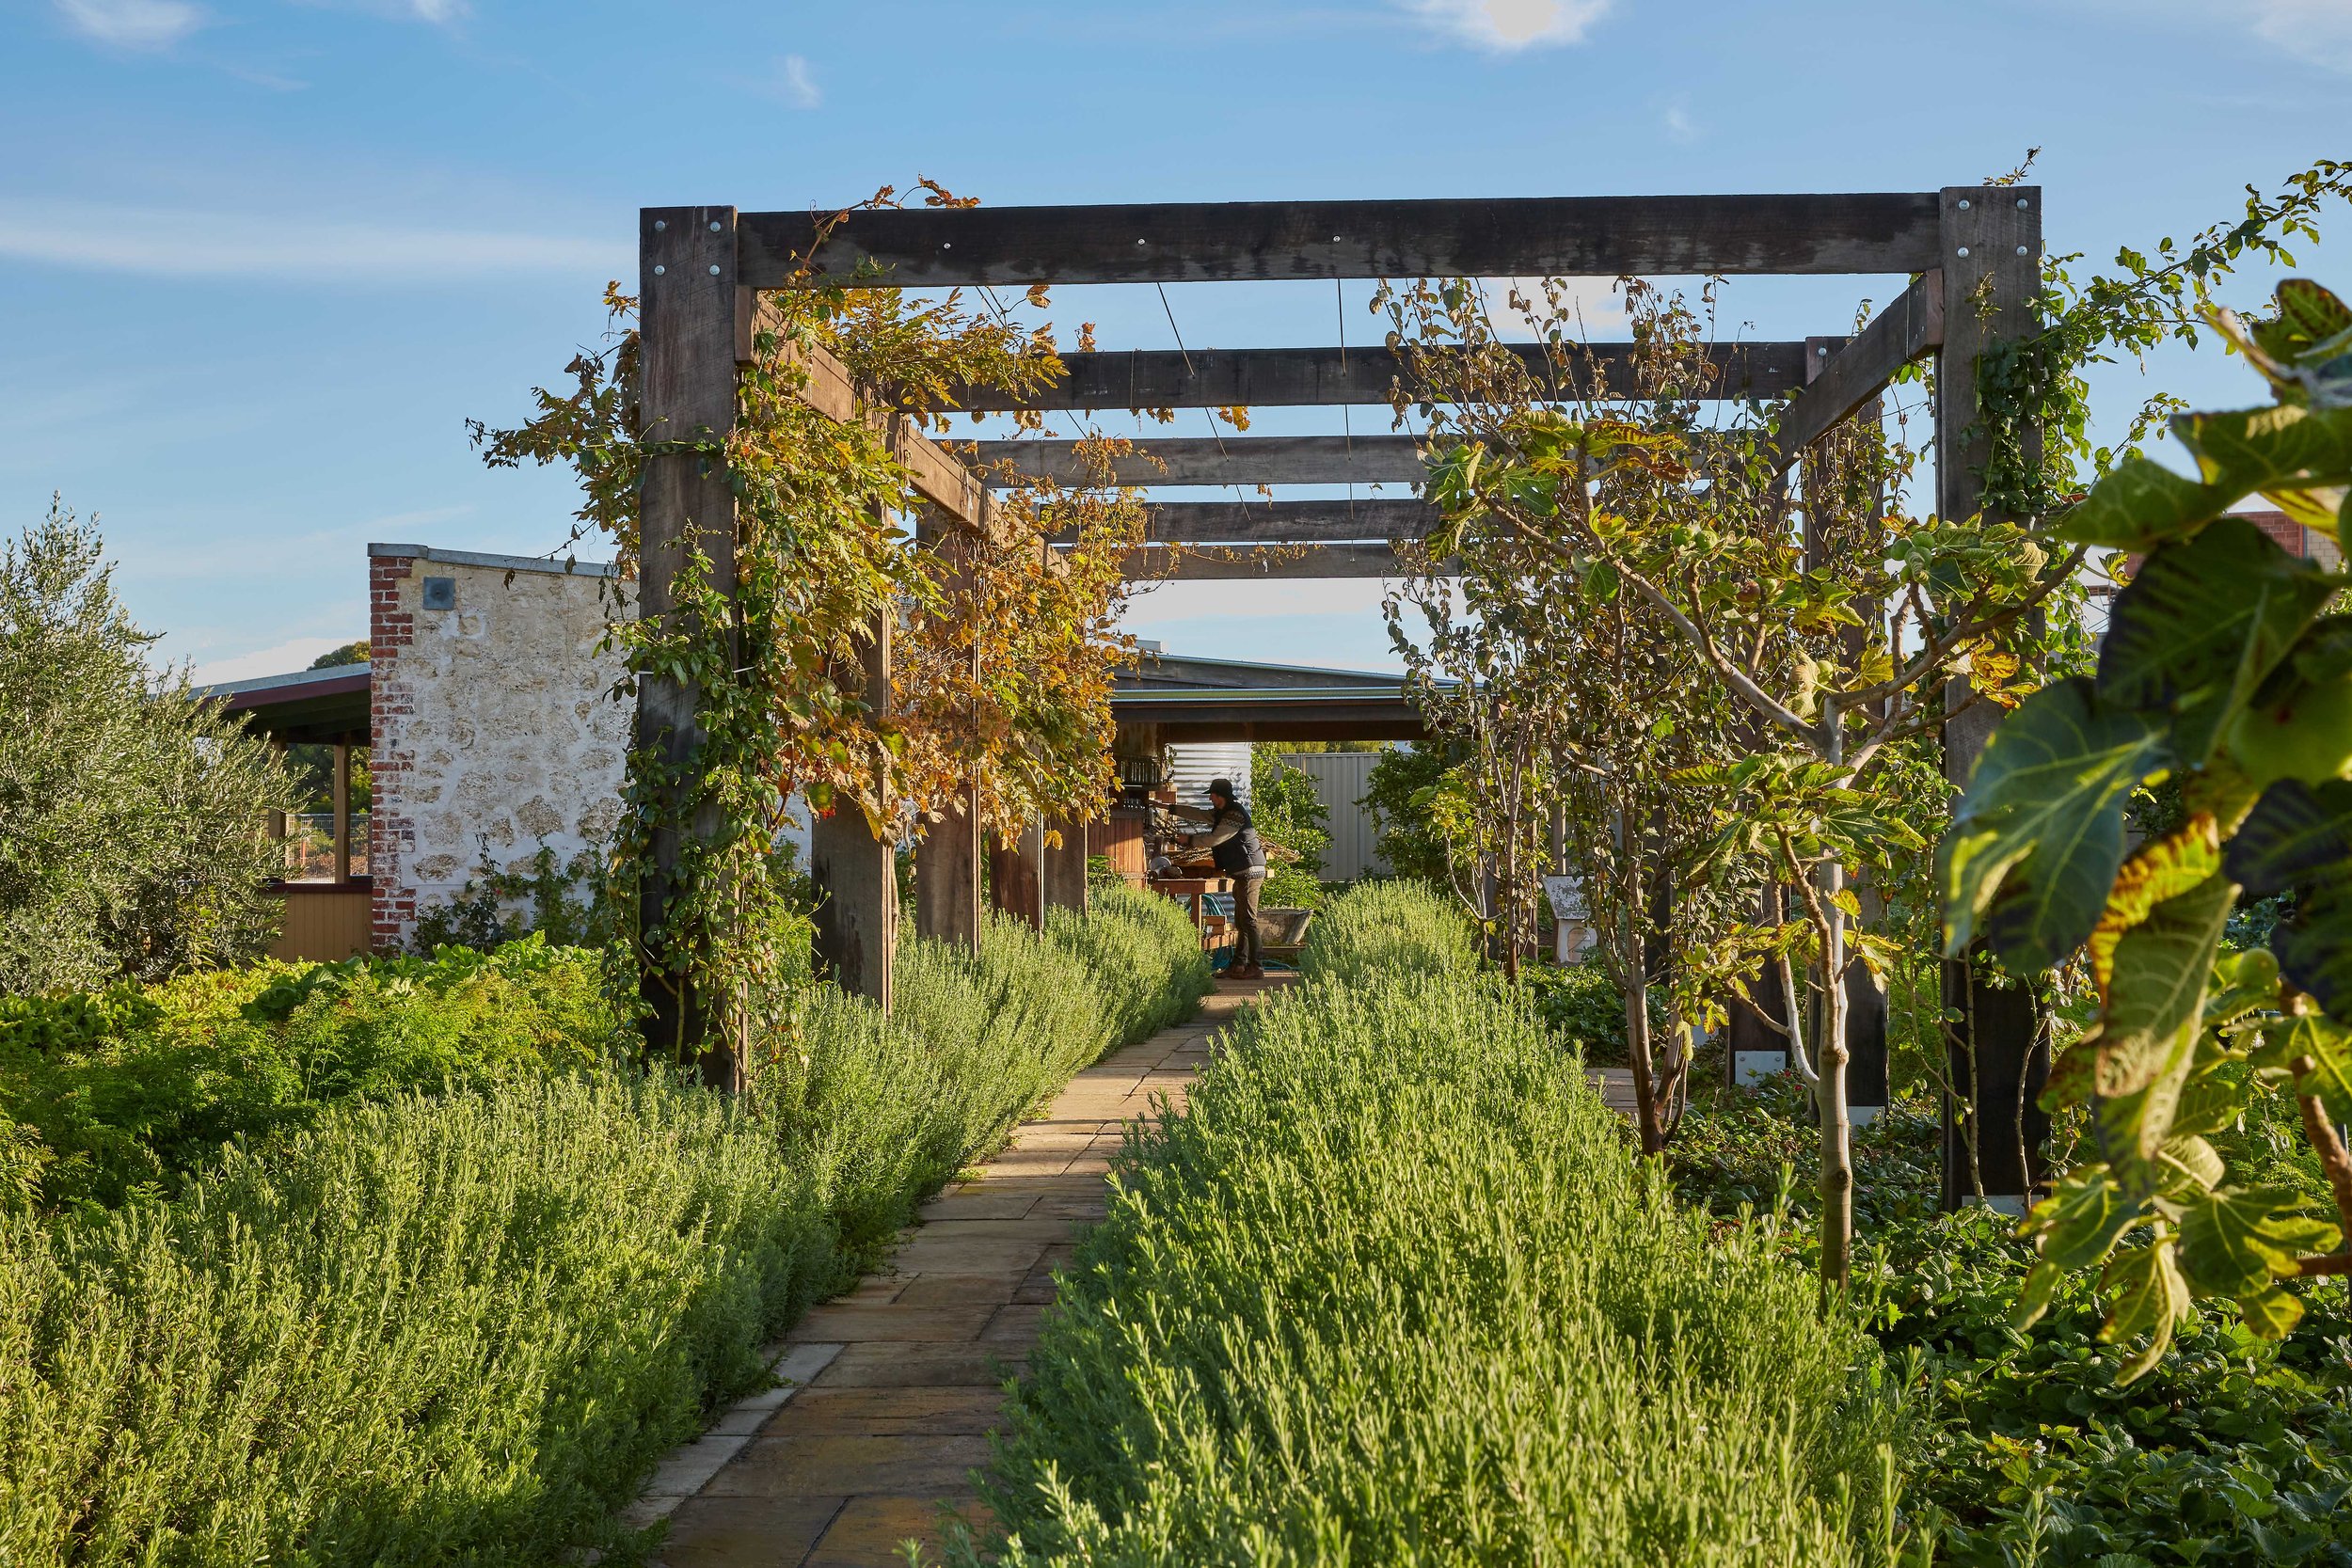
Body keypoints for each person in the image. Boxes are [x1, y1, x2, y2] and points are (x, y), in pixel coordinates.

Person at [1174, 777, 1267, 979]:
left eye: (1212, 795)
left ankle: (1256, 967)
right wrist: (1169, 808)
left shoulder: (1233, 816)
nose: (1210, 798)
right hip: (1242, 872)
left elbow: (1214, 839)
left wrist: (1188, 840)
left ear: (1220, 796)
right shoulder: (1222, 812)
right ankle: (1238, 965)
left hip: (1250, 871)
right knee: (1242, 922)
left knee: (1249, 921)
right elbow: (1198, 814)